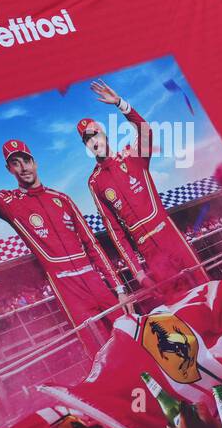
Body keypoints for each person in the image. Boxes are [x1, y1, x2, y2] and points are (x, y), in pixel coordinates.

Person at [0, 124, 127, 350]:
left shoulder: (62, 199)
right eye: (15, 163)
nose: (23, 168)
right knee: (101, 351)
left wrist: (119, 288)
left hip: (97, 283)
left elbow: (93, 246)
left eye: (26, 160)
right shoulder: (11, 204)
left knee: (130, 334)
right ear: (9, 169)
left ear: (35, 162)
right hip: (68, 291)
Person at [80, 79, 207, 300]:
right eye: (87, 139)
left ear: (104, 134)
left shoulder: (132, 155)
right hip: (148, 251)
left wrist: (121, 104)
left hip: (169, 234)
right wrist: (137, 272)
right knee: (180, 302)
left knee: (205, 287)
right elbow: (115, 231)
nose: (93, 141)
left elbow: (146, 132)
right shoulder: (95, 182)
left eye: (95, 133)